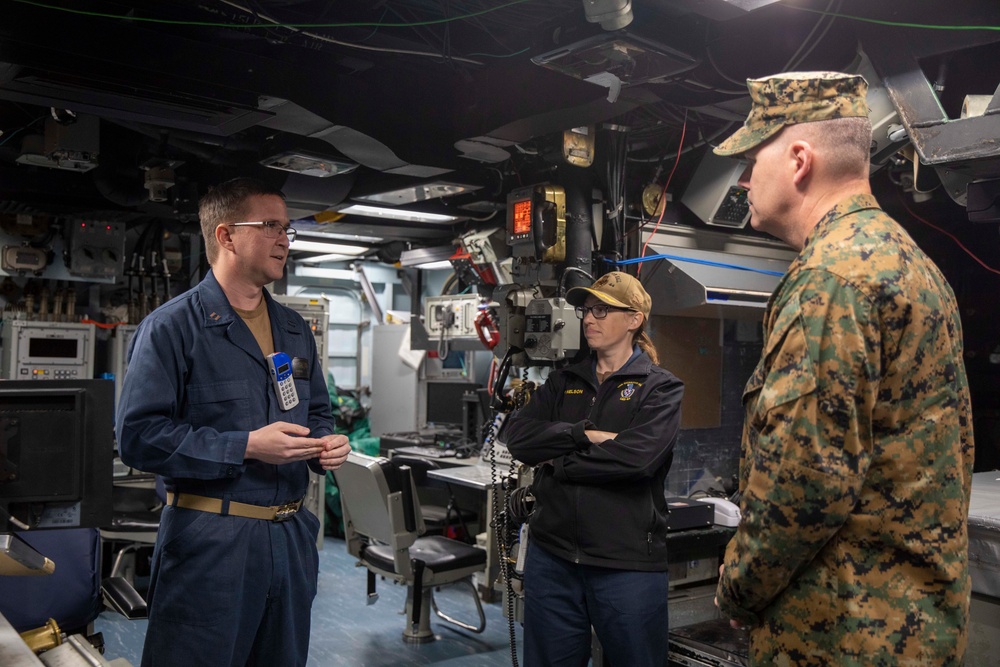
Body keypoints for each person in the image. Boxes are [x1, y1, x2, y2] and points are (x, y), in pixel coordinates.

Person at [712, 72, 974, 665]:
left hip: (841, 634)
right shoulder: (914, 264)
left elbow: (804, 485)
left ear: (799, 160)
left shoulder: (828, 280)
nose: (746, 179)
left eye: (754, 159)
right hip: (912, 628)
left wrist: (738, 586)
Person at [116, 177, 351, 667]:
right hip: (211, 542)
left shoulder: (292, 329)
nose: (284, 238)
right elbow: (138, 439)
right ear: (225, 236)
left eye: (287, 228)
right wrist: (244, 445)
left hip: (289, 539)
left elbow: (318, 413)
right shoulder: (173, 328)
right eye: (270, 226)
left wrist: (328, 445)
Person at [503, 271, 684, 667]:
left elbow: (636, 460)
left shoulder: (660, 389)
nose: (589, 319)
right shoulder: (563, 380)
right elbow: (516, 438)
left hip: (626, 566)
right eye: (587, 309)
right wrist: (585, 435)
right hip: (553, 560)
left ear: (634, 319)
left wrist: (557, 461)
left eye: (603, 310)